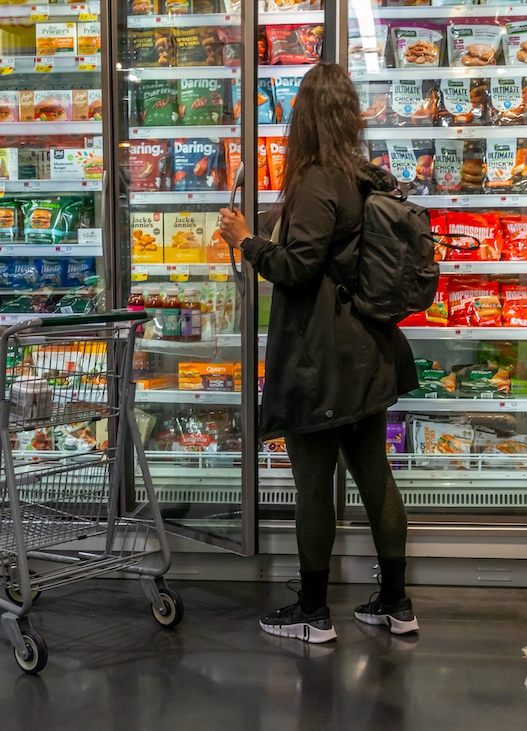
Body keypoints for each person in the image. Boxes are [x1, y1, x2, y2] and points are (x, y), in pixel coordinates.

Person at [218, 62, 419, 643]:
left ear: (303, 117)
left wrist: (246, 242)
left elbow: (298, 268)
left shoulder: (313, 178)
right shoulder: (360, 174)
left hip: (321, 359)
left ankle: (311, 612)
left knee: (312, 482)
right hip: (368, 350)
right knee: (374, 474)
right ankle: (395, 603)